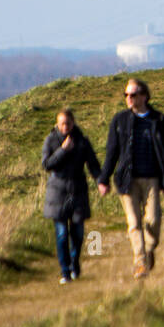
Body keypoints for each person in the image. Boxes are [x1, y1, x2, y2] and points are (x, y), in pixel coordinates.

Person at [97, 77, 164, 280]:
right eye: (126, 95)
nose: (129, 98)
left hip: (152, 179)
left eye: (133, 94)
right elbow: (112, 152)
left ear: (144, 96)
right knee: (134, 222)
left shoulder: (159, 120)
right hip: (127, 180)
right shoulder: (119, 120)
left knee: (153, 221)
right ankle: (140, 262)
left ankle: (149, 251)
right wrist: (103, 179)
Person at [41, 108, 101, 285]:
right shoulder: (50, 140)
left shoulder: (82, 140)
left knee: (78, 232)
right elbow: (46, 164)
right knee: (61, 234)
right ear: (57, 124)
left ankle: (75, 264)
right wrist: (62, 150)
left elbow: (92, 163)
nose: (65, 126)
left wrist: (100, 180)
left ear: (73, 123)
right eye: (62, 124)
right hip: (57, 192)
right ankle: (65, 271)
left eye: (68, 123)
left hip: (78, 191)